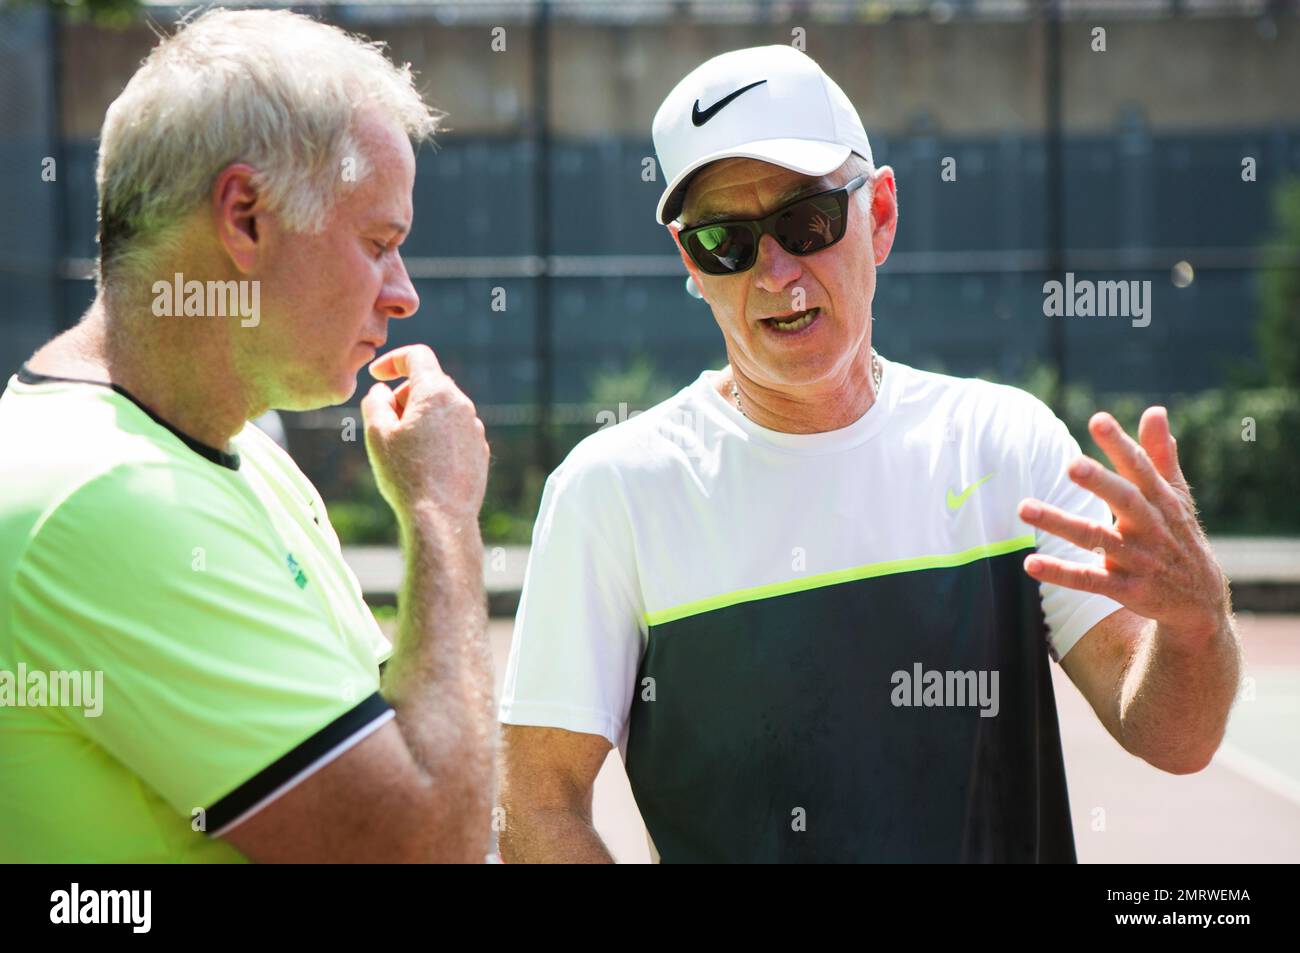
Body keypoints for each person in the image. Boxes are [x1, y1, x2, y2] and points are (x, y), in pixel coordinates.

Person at [498, 46, 1241, 863]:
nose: (776, 271)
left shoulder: (1006, 444)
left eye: (806, 220)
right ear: (691, 264)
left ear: (880, 214)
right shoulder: (610, 493)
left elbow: (1174, 738)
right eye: (724, 241)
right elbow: (535, 799)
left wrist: (1197, 620)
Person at [0, 9, 494, 862]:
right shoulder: (106, 495)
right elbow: (425, 844)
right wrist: (443, 515)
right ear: (246, 217)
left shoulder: (239, 452)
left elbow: (405, 737)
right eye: (379, 242)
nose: (402, 291)